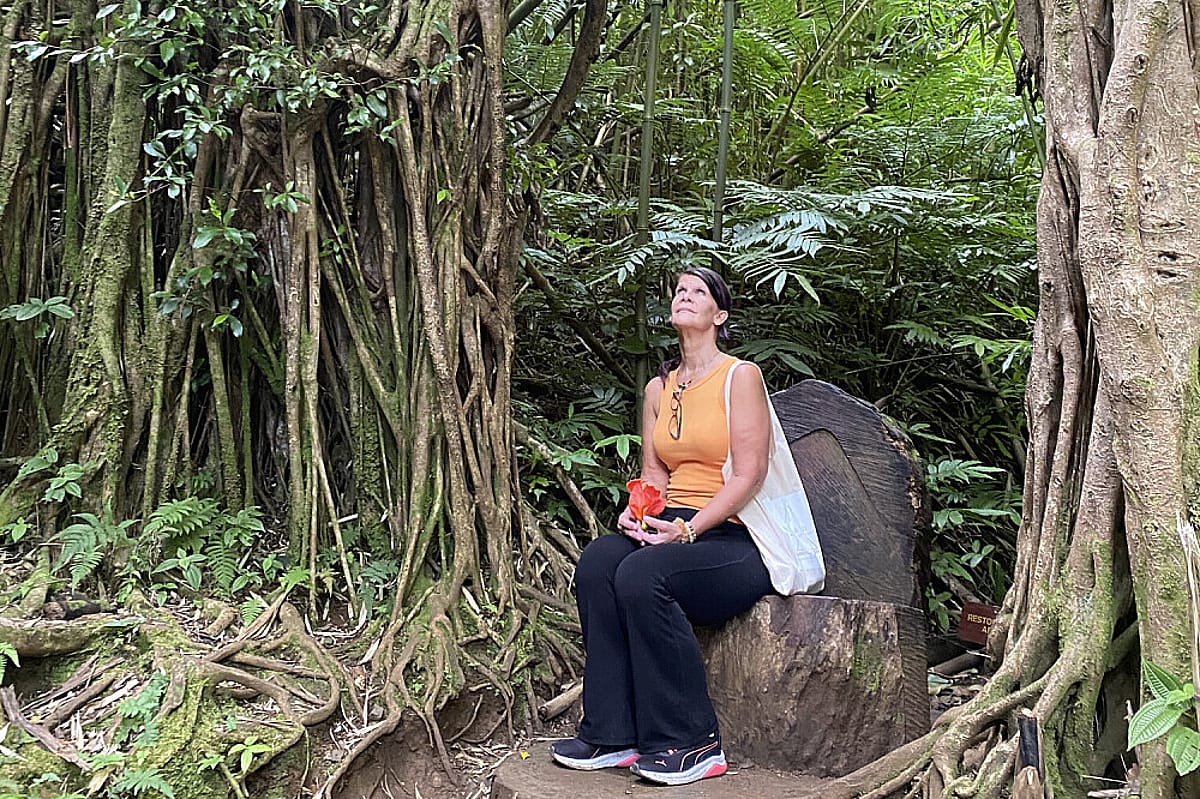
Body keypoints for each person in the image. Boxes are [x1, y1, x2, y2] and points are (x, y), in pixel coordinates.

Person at [550, 266, 774, 786]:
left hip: (735, 536)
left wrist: (691, 529)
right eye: (679, 290)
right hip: (670, 529)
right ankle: (613, 732)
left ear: (719, 315)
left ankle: (691, 742)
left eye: (699, 292)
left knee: (642, 576)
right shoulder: (660, 387)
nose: (686, 297)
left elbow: (751, 473)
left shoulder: (740, 376)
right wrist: (641, 510)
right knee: (600, 562)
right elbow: (655, 473)